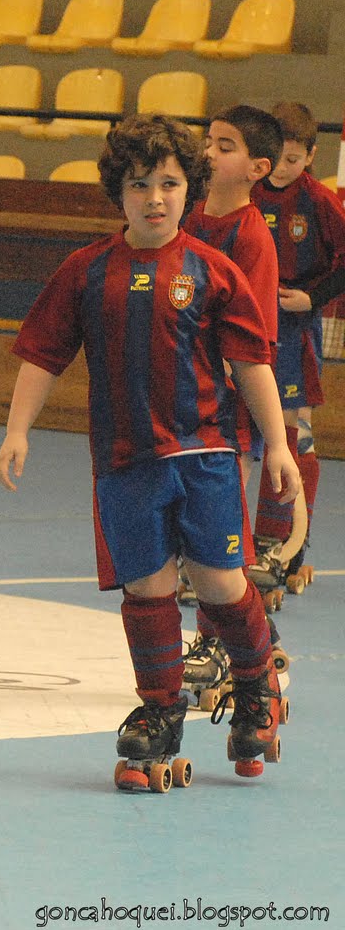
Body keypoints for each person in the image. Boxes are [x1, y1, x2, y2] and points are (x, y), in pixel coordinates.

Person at [0, 115, 299, 786]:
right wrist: (19, 429)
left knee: (220, 584)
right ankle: (160, 710)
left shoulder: (213, 270)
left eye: (169, 184)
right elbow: (44, 353)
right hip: (125, 464)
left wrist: (276, 442)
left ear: (190, 189)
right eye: (140, 185)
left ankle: (256, 684)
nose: (155, 198)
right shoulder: (86, 270)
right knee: (148, 586)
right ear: (119, 193)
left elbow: (252, 360)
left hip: (205, 457)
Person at [176, 105, 282, 697]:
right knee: (190, 534)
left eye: (225, 145)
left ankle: (222, 644)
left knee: (219, 534)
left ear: (256, 168)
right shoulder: (186, 218)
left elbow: (253, 341)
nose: (209, 153)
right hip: (184, 409)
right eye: (208, 141)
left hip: (230, 417)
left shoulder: (252, 238)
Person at [249, 101, 345, 597]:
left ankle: (283, 545)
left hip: (292, 331)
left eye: (293, 159)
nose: (282, 169)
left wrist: (314, 297)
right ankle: (222, 542)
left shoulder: (320, 202)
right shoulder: (243, 193)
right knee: (232, 432)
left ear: (310, 155)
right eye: (275, 159)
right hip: (244, 324)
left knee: (290, 433)